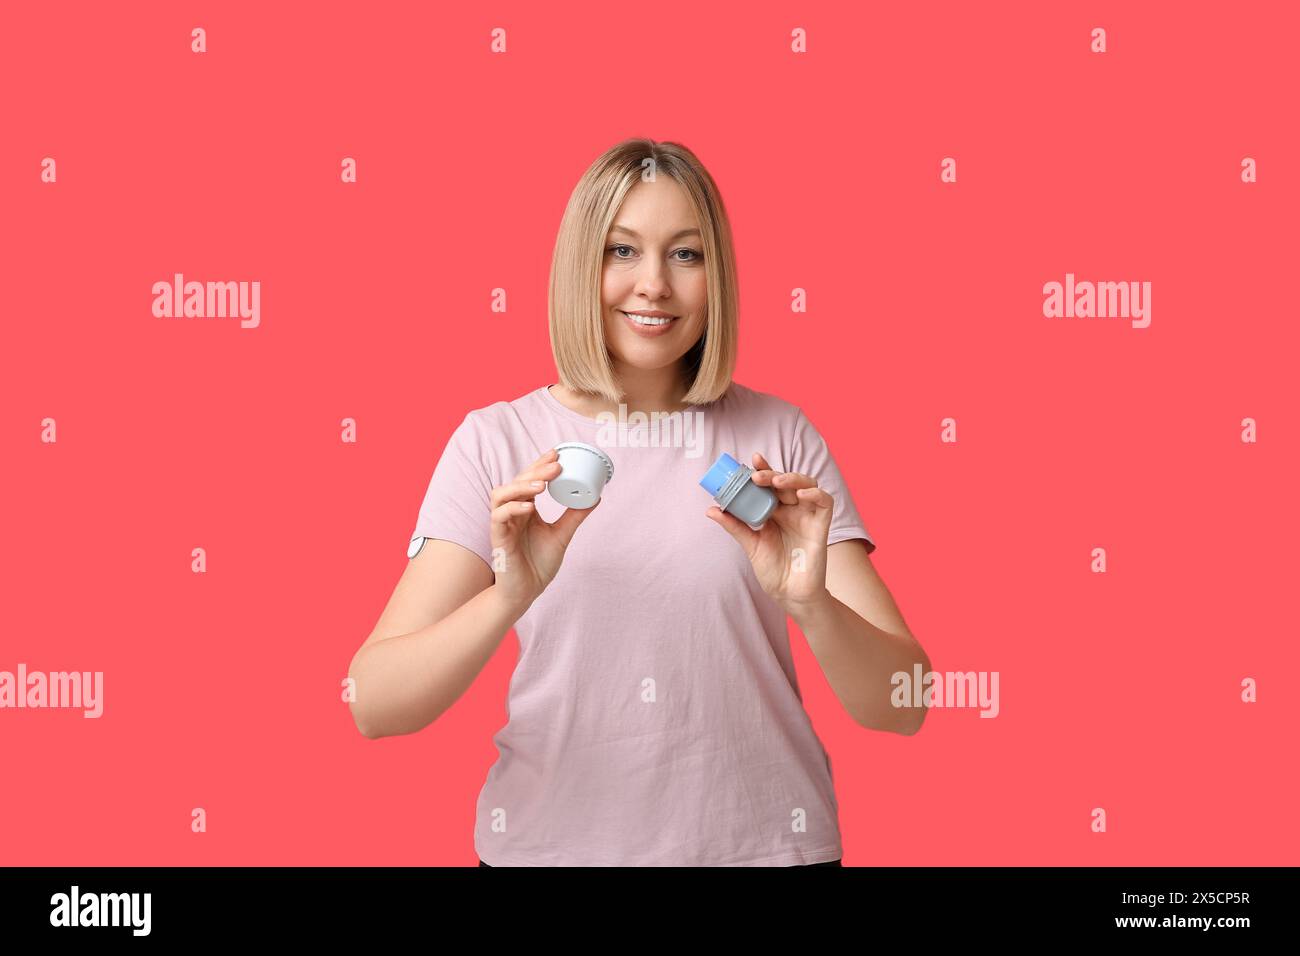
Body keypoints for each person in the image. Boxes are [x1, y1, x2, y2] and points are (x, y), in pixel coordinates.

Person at [348, 138, 930, 866]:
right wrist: (506, 597)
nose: (653, 284)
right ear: (578, 268)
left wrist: (812, 603)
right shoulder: (499, 442)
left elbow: (905, 705)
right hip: (550, 851)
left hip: (768, 853)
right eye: (622, 252)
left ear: (716, 276)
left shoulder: (778, 437)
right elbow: (372, 703)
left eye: (686, 255)